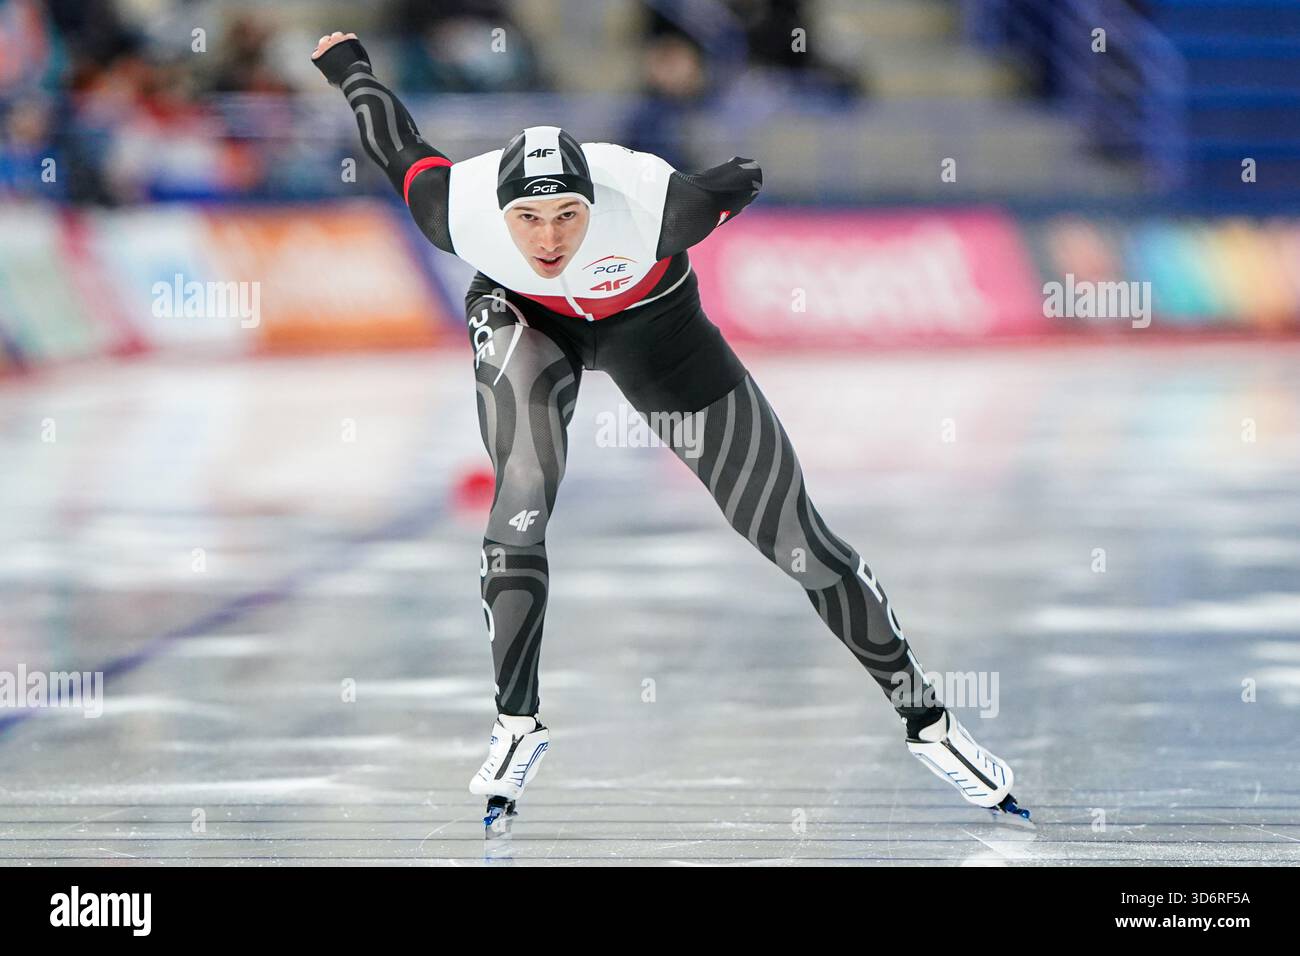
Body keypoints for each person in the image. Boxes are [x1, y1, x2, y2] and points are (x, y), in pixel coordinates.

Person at [310, 32, 1030, 831]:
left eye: (567, 216)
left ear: (596, 204)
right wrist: (352, 67)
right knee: (521, 494)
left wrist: (736, 180)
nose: (548, 240)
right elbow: (392, 137)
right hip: (525, 318)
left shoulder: (657, 204)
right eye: (530, 220)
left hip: (655, 326)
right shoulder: (455, 210)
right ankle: (517, 723)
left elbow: (741, 179)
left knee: (794, 537)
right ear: (500, 214)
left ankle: (929, 721)